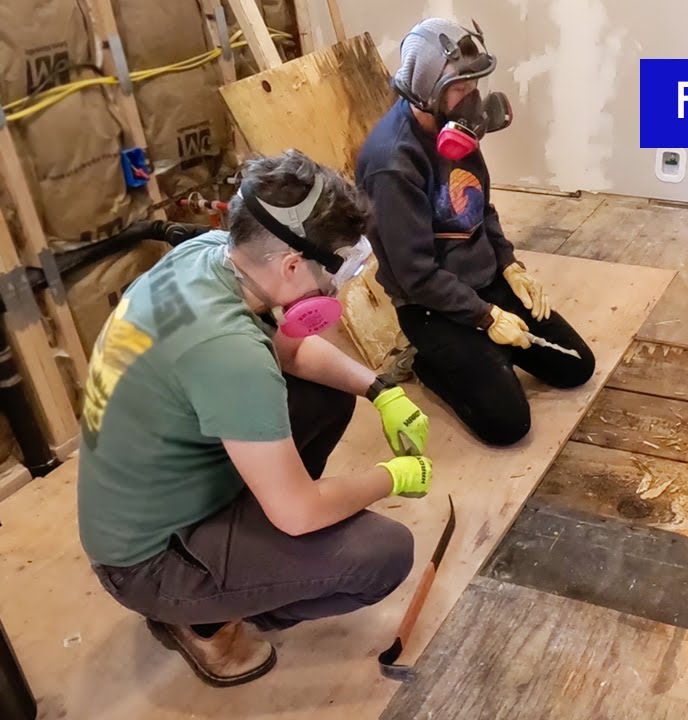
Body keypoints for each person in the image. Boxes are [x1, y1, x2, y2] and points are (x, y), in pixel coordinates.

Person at [76, 150, 436, 688]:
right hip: (147, 562)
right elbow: (295, 512)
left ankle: (251, 557)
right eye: (332, 269)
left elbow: (290, 354)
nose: (334, 289)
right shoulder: (229, 353)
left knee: (327, 396)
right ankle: (207, 618)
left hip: (147, 498)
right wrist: (394, 477)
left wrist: (380, 390)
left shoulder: (209, 254)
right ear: (292, 265)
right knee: (382, 555)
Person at [356, 17, 596, 447]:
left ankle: (486, 357)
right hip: (431, 306)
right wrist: (486, 318)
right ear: (427, 90)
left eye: (475, 85)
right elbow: (416, 275)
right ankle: (431, 365)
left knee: (577, 365)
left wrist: (509, 265)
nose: (474, 101)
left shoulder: (458, 130)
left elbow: (479, 207)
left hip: (483, 282)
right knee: (508, 426)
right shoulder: (393, 163)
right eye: (461, 89)